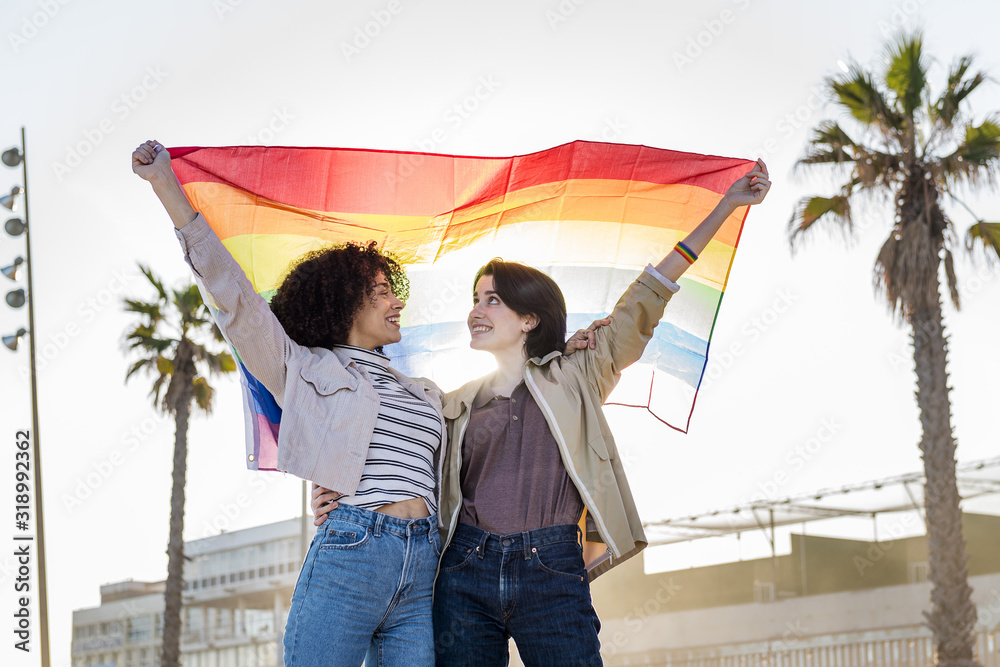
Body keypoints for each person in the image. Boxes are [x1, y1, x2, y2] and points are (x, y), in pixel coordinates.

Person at [131, 139, 602, 667]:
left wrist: (558, 354)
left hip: (424, 567)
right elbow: (234, 301)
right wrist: (166, 187)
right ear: (347, 298)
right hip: (352, 554)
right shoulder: (304, 370)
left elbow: (505, 422)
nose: (397, 300)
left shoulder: (426, 393)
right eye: (381, 291)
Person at [313, 160, 771, 665]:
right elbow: (383, 440)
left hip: (551, 568)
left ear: (529, 318)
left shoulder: (578, 373)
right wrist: (331, 487)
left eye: (492, 300)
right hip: (464, 570)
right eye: (475, 299)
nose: (476, 311)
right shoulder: (448, 404)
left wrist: (728, 206)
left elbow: (647, 298)